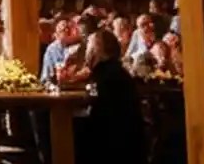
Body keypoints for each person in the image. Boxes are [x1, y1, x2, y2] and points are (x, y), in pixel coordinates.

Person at [77, 30, 145, 164]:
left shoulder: (106, 77)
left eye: (88, 47)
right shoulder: (117, 72)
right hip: (130, 146)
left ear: (96, 50)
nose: (86, 52)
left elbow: (97, 116)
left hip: (111, 148)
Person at [40, 18, 79, 85]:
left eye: (68, 29)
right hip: (56, 85)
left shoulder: (77, 47)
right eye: (63, 30)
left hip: (75, 85)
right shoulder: (52, 48)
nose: (66, 31)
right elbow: (47, 76)